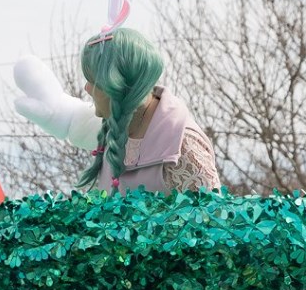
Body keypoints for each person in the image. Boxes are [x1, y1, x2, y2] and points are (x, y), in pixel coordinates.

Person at [11, 23, 221, 194]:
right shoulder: (116, 125)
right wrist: (56, 109)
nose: (86, 88)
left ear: (119, 85)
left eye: (93, 80)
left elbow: (215, 229)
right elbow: (78, 121)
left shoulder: (183, 147)